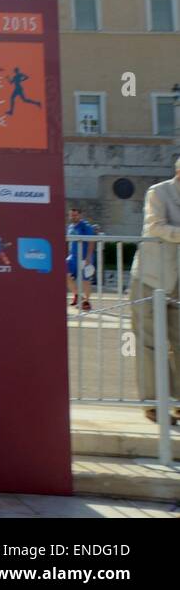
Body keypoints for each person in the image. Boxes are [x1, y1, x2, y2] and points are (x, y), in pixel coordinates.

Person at [129, 158, 180, 425]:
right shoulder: (159, 192)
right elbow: (155, 226)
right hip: (150, 279)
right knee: (150, 344)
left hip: (178, 282)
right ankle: (153, 405)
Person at [66, 207, 97, 310]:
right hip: (72, 257)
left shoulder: (85, 226)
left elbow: (91, 242)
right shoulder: (70, 227)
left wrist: (88, 257)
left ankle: (86, 302)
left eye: (75, 215)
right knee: (65, 274)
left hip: (84, 257)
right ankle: (78, 296)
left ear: (80, 215)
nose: (73, 217)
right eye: (71, 215)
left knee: (85, 281)